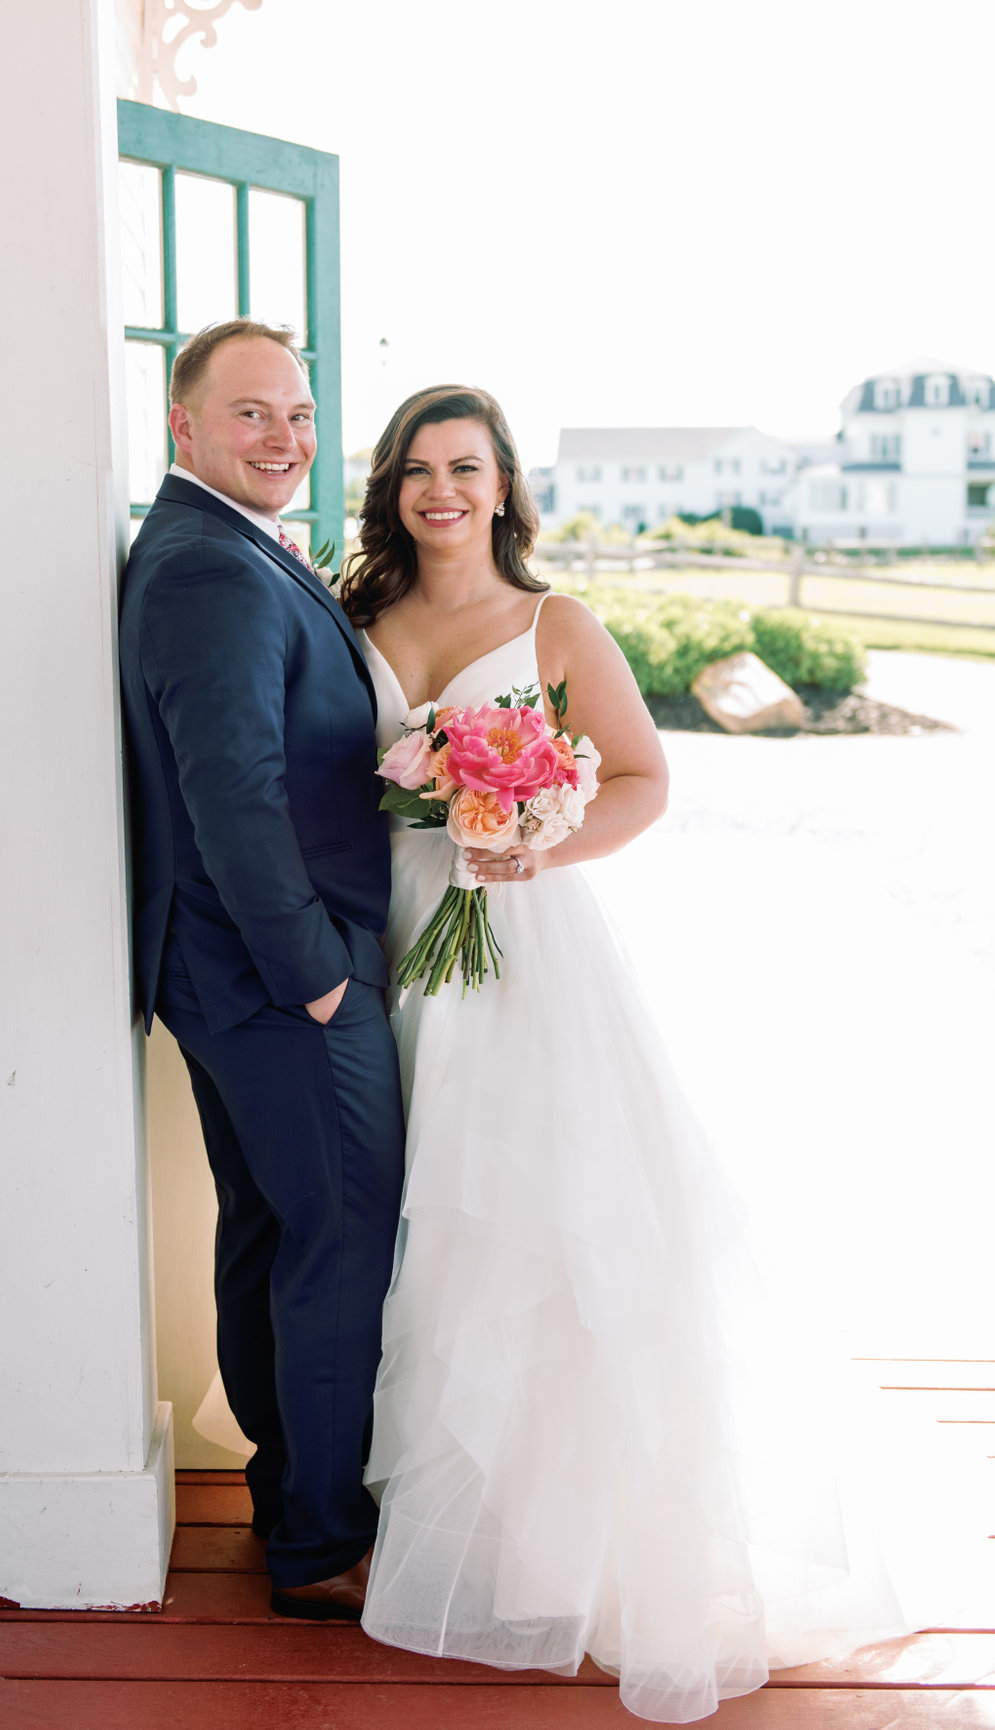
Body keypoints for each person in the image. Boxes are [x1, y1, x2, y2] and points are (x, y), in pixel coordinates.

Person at [341, 385, 908, 1722]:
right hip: (393, 941)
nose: (441, 493)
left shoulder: (556, 624)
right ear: (393, 486)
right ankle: (454, 1522)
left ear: (503, 484)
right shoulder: (352, 620)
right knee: (408, 1224)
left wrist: (531, 839)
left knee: (538, 1226)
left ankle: (566, 1554)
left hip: (526, 947)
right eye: (418, 470)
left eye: (465, 468)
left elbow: (645, 778)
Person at [118, 319, 405, 1622]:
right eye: (250, 414)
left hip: (240, 977)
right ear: (184, 427)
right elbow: (229, 790)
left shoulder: (216, 546)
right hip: (277, 979)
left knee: (275, 1233)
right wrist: (318, 977)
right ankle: (321, 1541)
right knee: (336, 1237)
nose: (283, 437)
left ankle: (294, 1490)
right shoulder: (207, 571)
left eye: (297, 413)